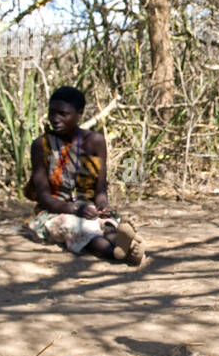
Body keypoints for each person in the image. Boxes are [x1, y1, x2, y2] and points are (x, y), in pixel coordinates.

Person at [23, 86, 144, 265]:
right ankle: (118, 253)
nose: (55, 119)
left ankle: (124, 244)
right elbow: (44, 196)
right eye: (52, 112)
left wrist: (103, 205)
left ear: (79, 114)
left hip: (88, 207)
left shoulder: (95, 141)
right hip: (55, 210)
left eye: (63, 114)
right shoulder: (41, 145)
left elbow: (101, 187)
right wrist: (74, 209)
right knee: (80, 230)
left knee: (107, 224)